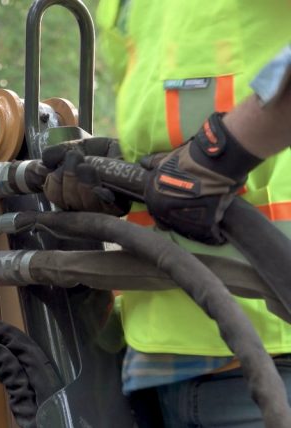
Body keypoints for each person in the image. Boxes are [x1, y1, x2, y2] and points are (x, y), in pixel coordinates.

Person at [42, 0, 291, 426]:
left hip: (269, 353)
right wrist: (115, 179)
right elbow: (165, 135)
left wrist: (220, 154)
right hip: (154, 360)